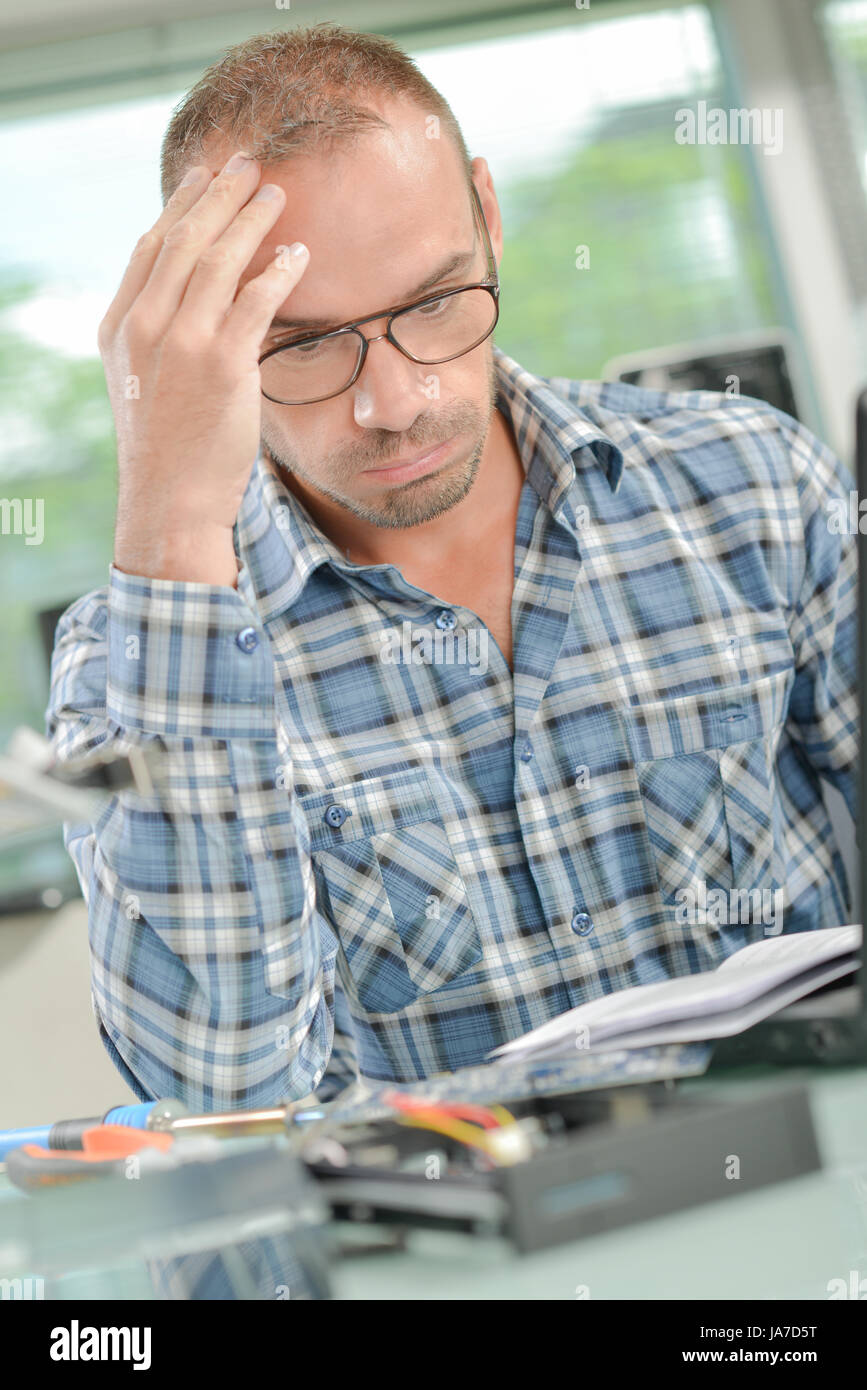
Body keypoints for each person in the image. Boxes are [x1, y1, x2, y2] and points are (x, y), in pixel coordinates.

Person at [46, 23, 856, 1116]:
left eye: (433, 304)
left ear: (489, 214)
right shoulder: (131, 661)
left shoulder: (753, 484)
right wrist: (173, 513)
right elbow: (223, 1112)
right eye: (303, 344)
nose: (397, 403)